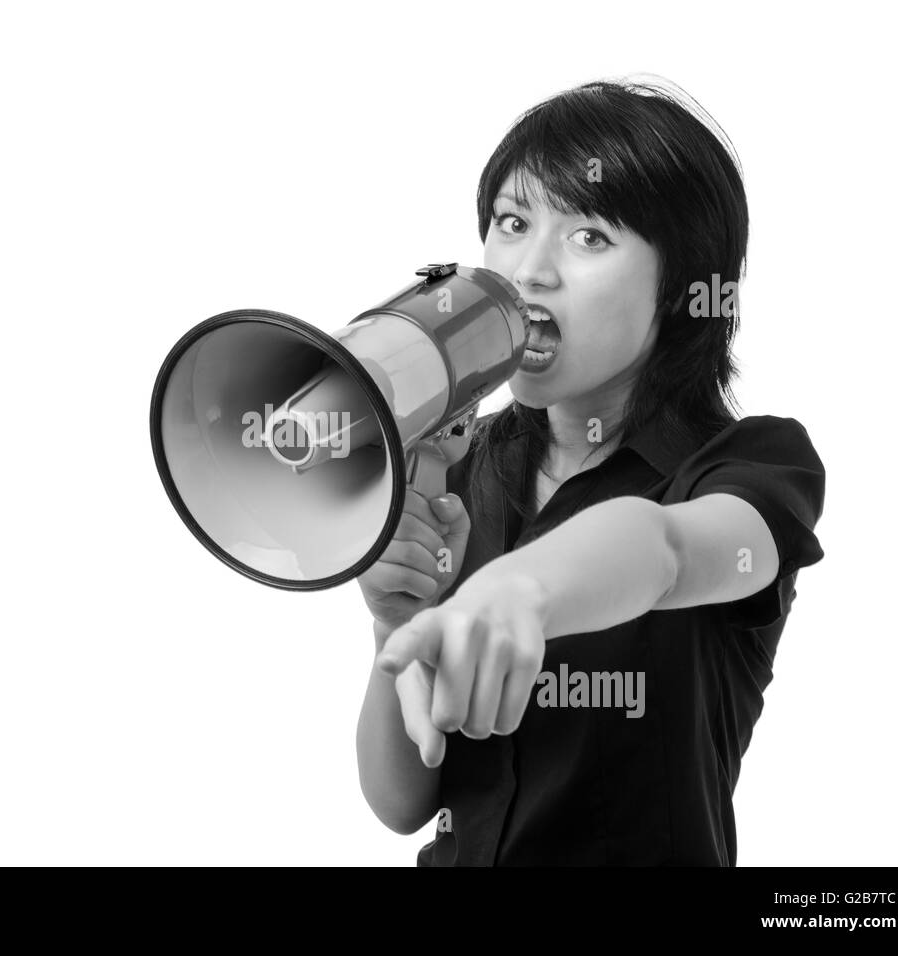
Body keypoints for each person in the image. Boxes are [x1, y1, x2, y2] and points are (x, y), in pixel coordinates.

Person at [354, 78, 826, 866]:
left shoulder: (752, 468)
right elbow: (402, 803)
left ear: (680, 291)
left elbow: (664, 550)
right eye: (512, 222)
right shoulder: (459, 464)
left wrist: (522, 589)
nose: (528, 272)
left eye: (590, 237)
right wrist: (395, 625)